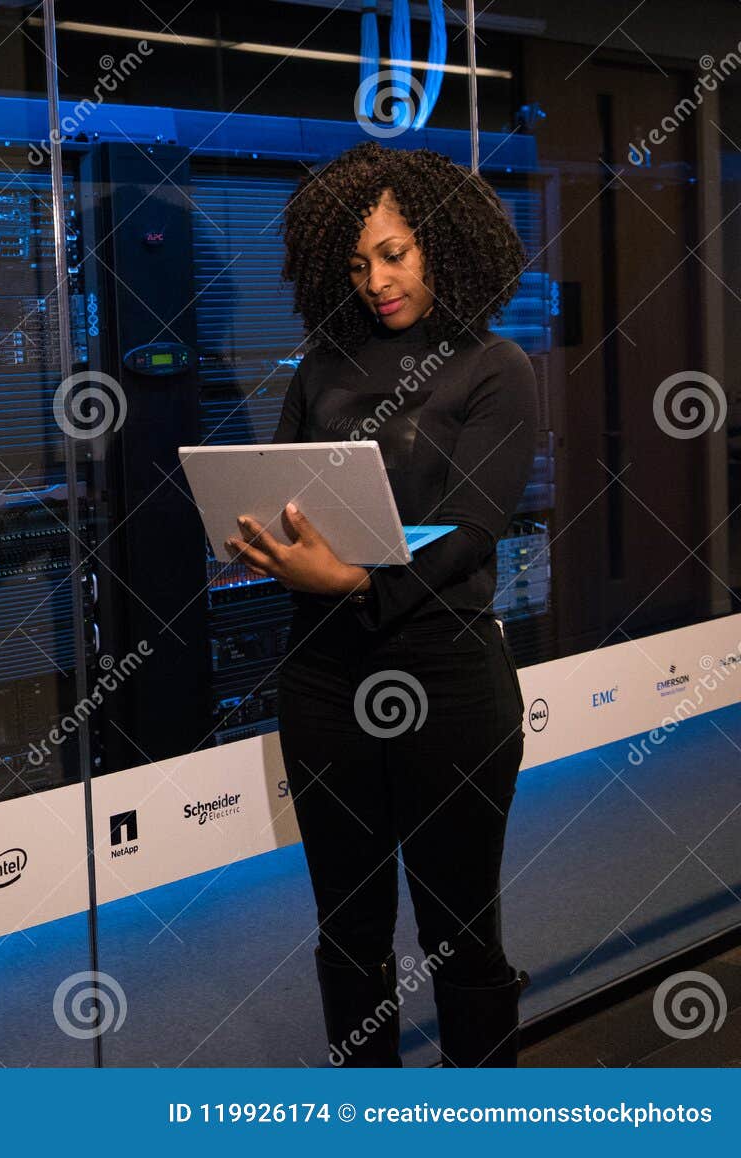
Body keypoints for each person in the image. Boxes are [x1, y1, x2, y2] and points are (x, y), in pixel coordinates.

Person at [223, 140, 539, 1067]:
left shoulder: (495, 367)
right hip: (323, 678)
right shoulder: (321, 365)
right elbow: (273, 487)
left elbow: (473, 526)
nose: (376, 280)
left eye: (394, 254)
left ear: (441, 245)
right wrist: (263, 542)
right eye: (358, 263)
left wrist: (358, 581)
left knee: (460, 934)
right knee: (348, 936)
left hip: (447, 679)